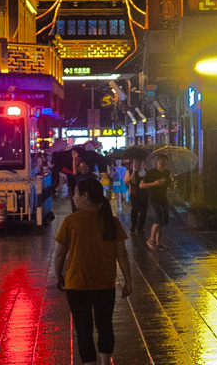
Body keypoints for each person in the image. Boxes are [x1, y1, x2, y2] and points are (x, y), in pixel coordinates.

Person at [53, 178, 132, 365]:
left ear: (85, 196)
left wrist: (58, 276)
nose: (73, 197)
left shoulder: (70, 221)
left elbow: (60, 254)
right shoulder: (112, 222)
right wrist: (128, 281)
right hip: (105, 283)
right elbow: (122, 255)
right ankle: (106, 362)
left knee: (83, 329)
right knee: (105, 325)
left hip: (76, 284)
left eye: (76, 193)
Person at [139, 154, 172, 249]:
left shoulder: (167, 173)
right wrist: (154, 183)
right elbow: (141, 185)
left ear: (166, 162)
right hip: (154, 199)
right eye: (160, 160)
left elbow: (171, 187)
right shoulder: (151, 173)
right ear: (156, 162)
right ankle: (151, 240)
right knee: (157, 220)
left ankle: (158, 242)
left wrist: (172, 179)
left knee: (163, 222)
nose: (162, 162)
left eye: (164, 160)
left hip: (163, 199)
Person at [127, 158, 149, 236]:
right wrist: (130, 178)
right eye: (135, 161)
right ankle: (133, 225)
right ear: (133, 162)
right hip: (134, 194)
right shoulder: (130, 171)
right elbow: (125, 181)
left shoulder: (145, 172)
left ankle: (140, 227)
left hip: (144, 194)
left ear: (141, 162)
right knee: (135, 210)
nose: (137, 163)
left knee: (143, 211)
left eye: (139, 161)